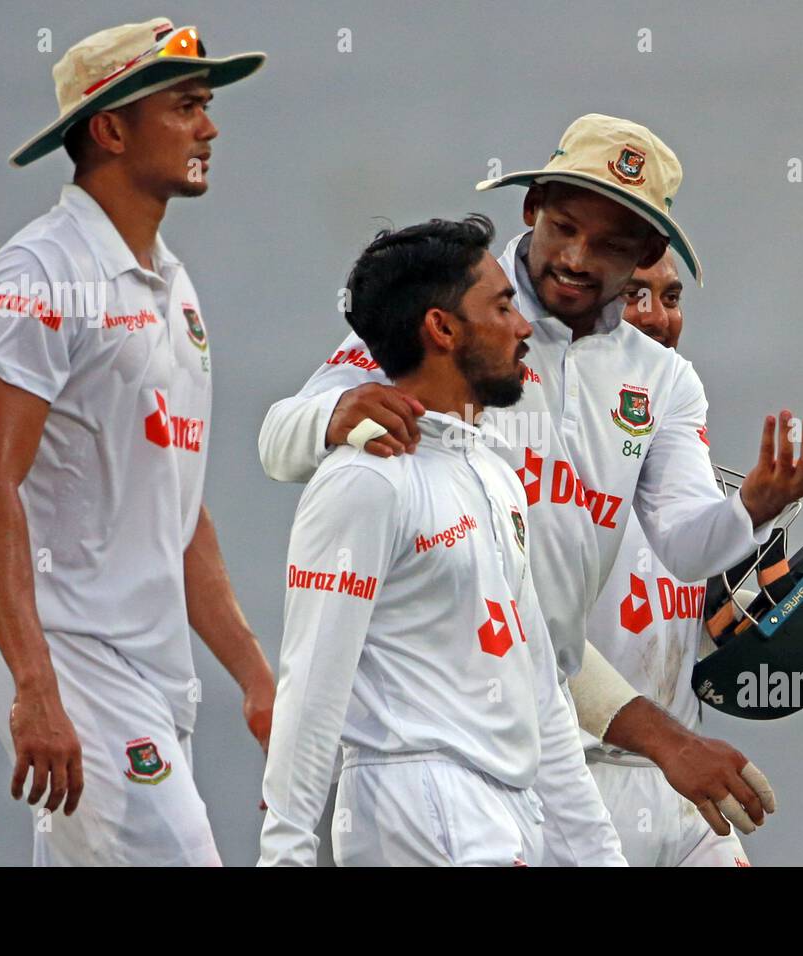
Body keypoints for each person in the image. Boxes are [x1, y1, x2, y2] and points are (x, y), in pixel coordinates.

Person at [257, 113, 803, 838]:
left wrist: (753, 507)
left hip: (556, 733)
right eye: (563, 227)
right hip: (441, 749)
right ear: (532, 209)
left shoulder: (662, 379)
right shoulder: (466, 318)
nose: (578, 258)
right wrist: (331, 416)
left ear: (646, 251)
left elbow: (683, 549)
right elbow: (278, 442)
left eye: (611, 245)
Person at [0, 19, 273, 865]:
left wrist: (254, 675)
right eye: (187, 106)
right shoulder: (36, 275)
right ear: (111, 128)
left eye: (207, 106)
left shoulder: (174, 283)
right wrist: (34, 687)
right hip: (70, 659)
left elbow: (177, 508)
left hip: (155, 673)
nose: (211, 127)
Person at [257, 216, 625, 866]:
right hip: (415, 816)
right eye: (503, 305)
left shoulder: (491, 473)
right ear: (442, 328)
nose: (522, 327)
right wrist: (283, 855)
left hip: (506, 815)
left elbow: (540, 688)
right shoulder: (364, 481)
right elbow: (313, 684)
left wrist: (600, 856)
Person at [583, 250, 803, 866]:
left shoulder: (681, 470)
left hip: (680, 787)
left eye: (670, 298)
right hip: (566, 783)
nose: (655, 318)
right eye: (631, 293)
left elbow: (710, 623)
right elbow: (536, 642)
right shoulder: (544, 456)